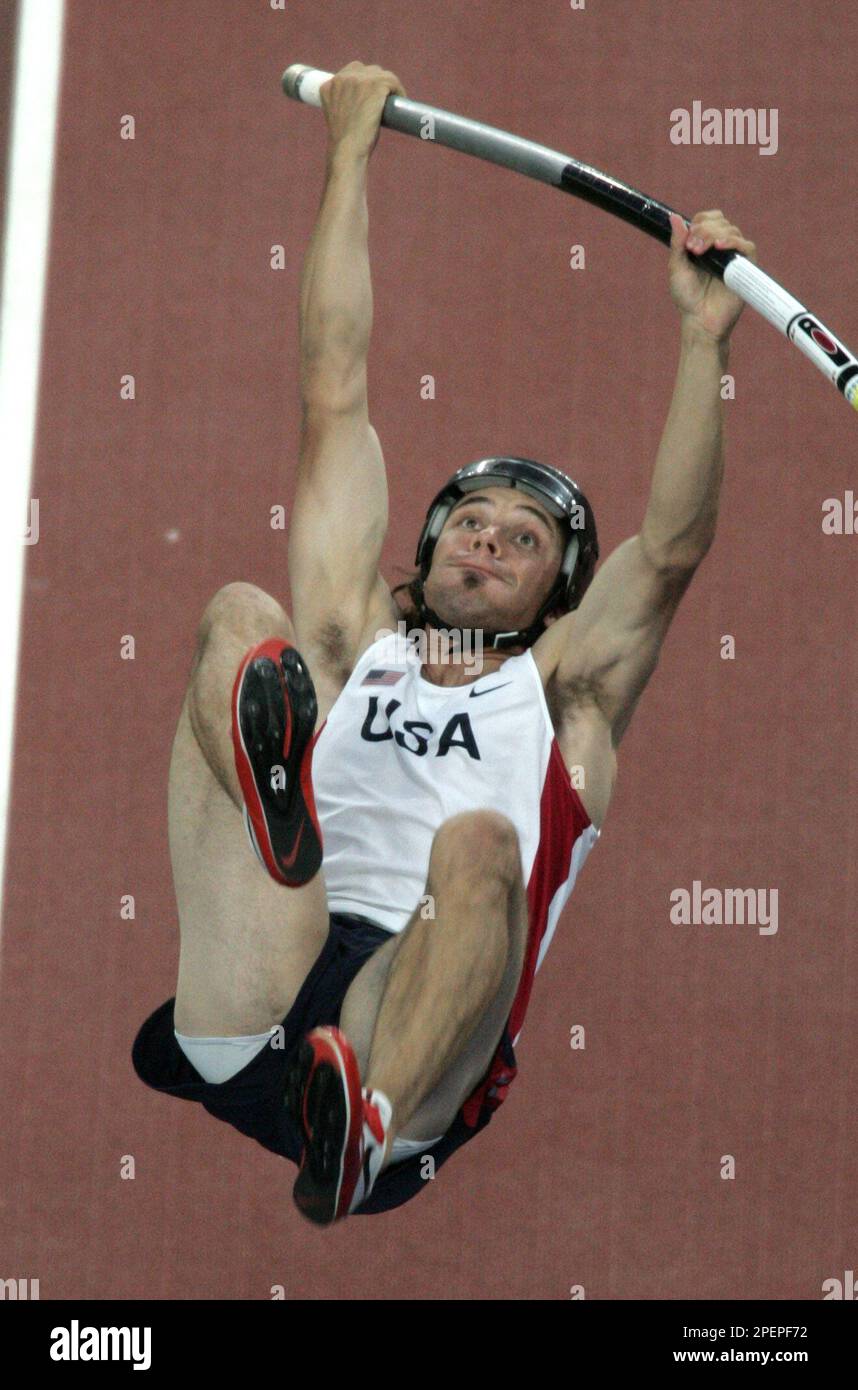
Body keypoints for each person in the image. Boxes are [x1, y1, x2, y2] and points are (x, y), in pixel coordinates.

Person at [132, 62, 756, 1225]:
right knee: (239, 618)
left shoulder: (567, 699)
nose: (484, 539)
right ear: (425, 544)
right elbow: (333, 386)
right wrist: (349, 155)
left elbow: (670, 551)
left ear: (558, 598)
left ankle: (358, 1135)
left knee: (476, 843)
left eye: (522, 540)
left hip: (397, 1026)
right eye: (469, 520)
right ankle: (285, 823)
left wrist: (702, 340)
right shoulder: (352, 631)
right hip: (261, 969)